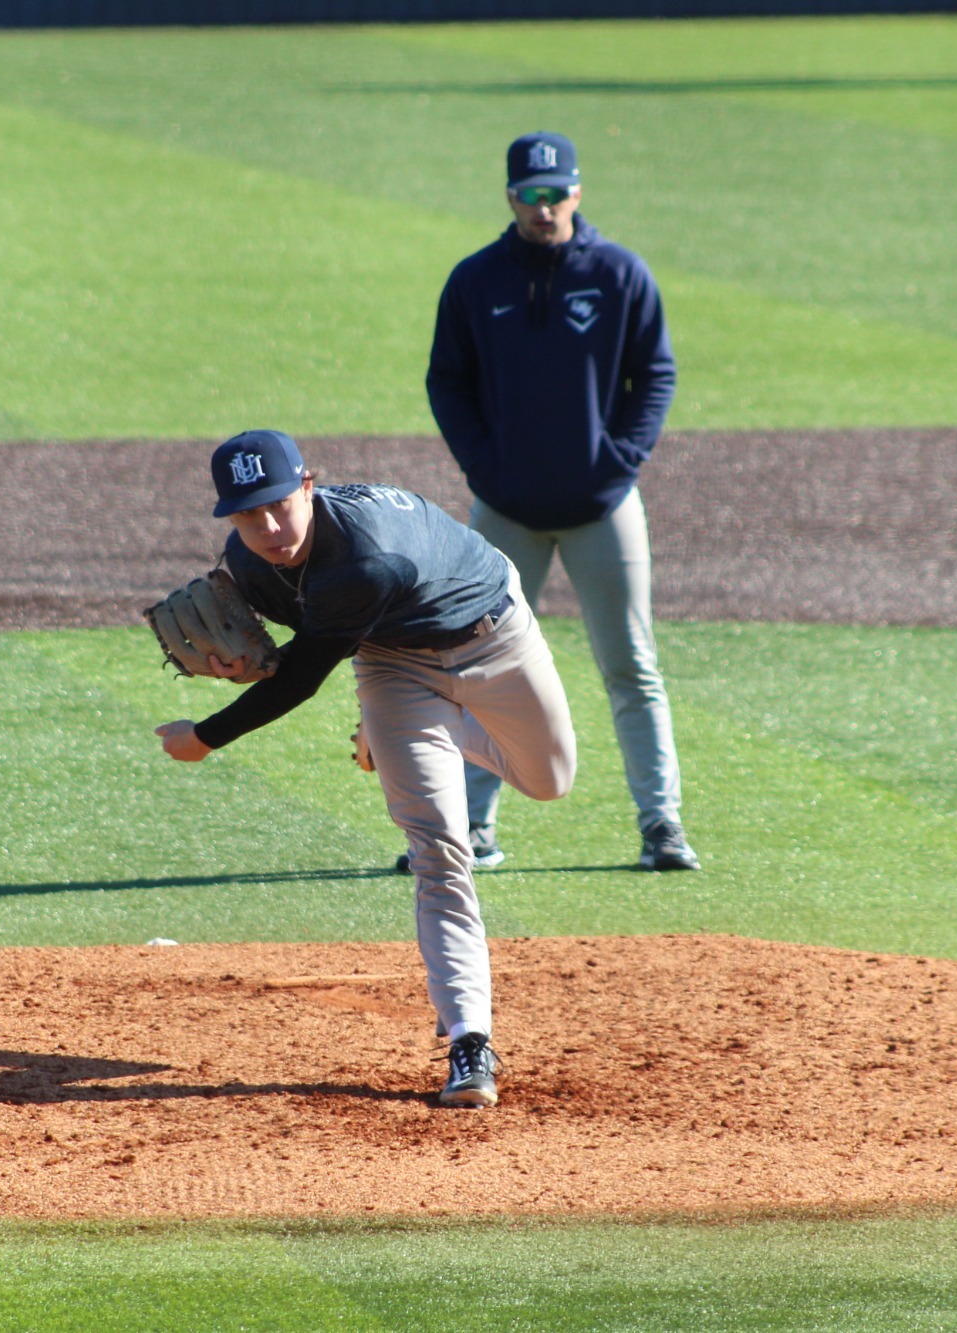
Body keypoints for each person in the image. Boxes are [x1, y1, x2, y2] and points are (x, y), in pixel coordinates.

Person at [156, 429, 576, 1108]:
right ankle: (472, 1044)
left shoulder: (366, 557)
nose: (266, 527)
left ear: (308, 486)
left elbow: (299, 679)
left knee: (549, 781)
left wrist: (205, 735)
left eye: (277, 505)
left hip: (495, 638)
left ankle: (417, 735)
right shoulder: (250, 561)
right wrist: (248, 665)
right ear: (228, 517)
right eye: (246, 513)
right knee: (440, 852)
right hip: (393, 664)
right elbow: (292, 650)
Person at [420, 129, 698, 874]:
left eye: (557, 193)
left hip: (602, 507)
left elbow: (656, 375)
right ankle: (471, 828)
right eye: (529, 195)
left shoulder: (618, 275)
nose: (544, 208)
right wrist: (484, 466)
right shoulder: (477, 282)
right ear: (510, 197)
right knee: (479, 668)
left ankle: (662, 826)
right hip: (504, 511)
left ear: (577, 192)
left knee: (632, 666)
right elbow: (446, 379)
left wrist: (620, 462)